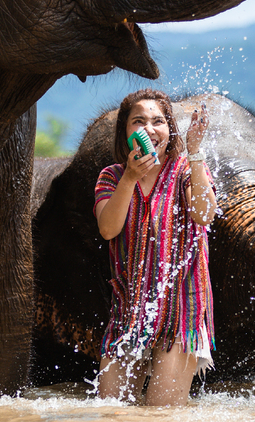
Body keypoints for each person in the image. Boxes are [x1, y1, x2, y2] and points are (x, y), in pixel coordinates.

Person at [93, 89, 217, 406]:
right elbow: (108, 229)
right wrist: (131, 177)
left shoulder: (186, 170)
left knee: (160, 413)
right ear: (126, 132)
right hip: (128, 311)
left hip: (181, 313)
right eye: (139, 121)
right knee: (112, 411)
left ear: (169, 130)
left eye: (158, 121)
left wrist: (195, 152)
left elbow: (204, 214)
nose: (149, 129)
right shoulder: (113, 176)